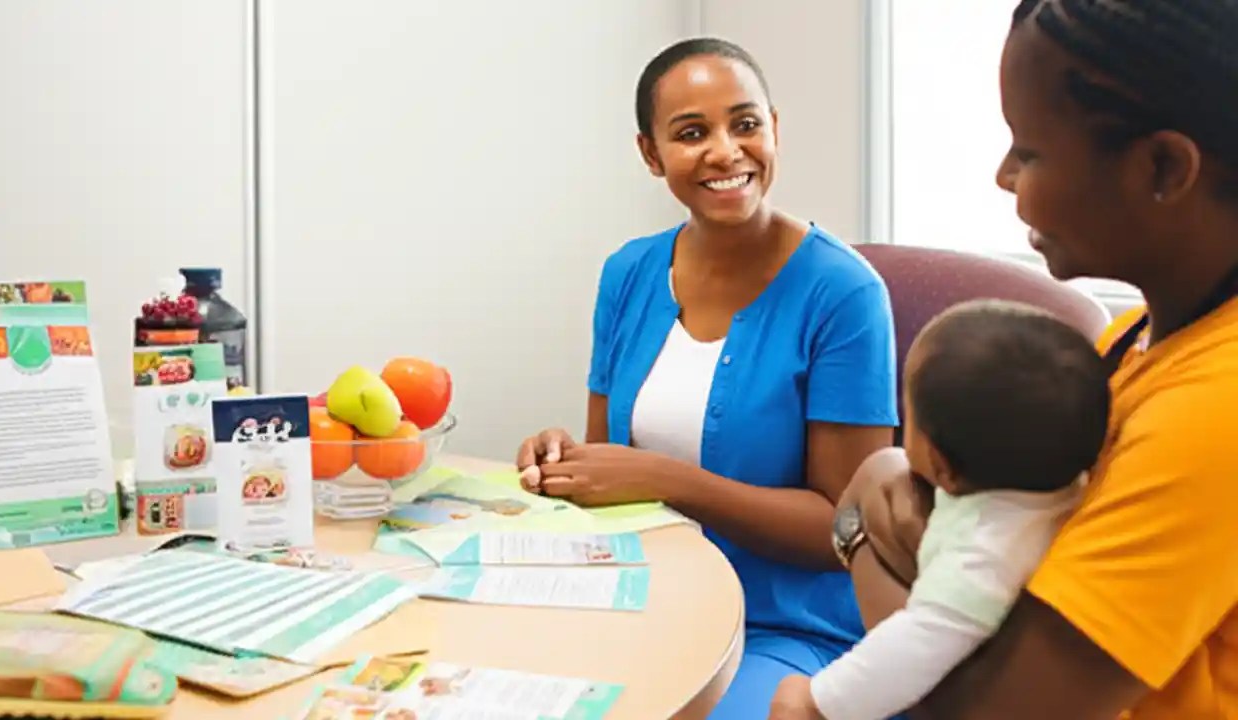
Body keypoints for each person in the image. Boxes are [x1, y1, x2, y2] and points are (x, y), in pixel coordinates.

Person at [817, 1, 1238, 718]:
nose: (1004, 176)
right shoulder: (1132, 343)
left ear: (1163, 166)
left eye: (1031, 150)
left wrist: (858, 527)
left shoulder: (1212, 411)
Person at [515, 38, 898, 718]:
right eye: (692, 133)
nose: (726, 151)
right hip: (647, 602)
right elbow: (610, 464)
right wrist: (564, 461)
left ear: (774, 129)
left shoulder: (842, 292)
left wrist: (665, 480)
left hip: (787, 629)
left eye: (745, 124)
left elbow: (843, 532)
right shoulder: (628, 273)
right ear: (651, 154)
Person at [769, 300, 1109, 720]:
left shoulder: (984, 555)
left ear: (943, 468)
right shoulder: (1054, 479)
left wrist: (815, 702)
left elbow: (917, 644)